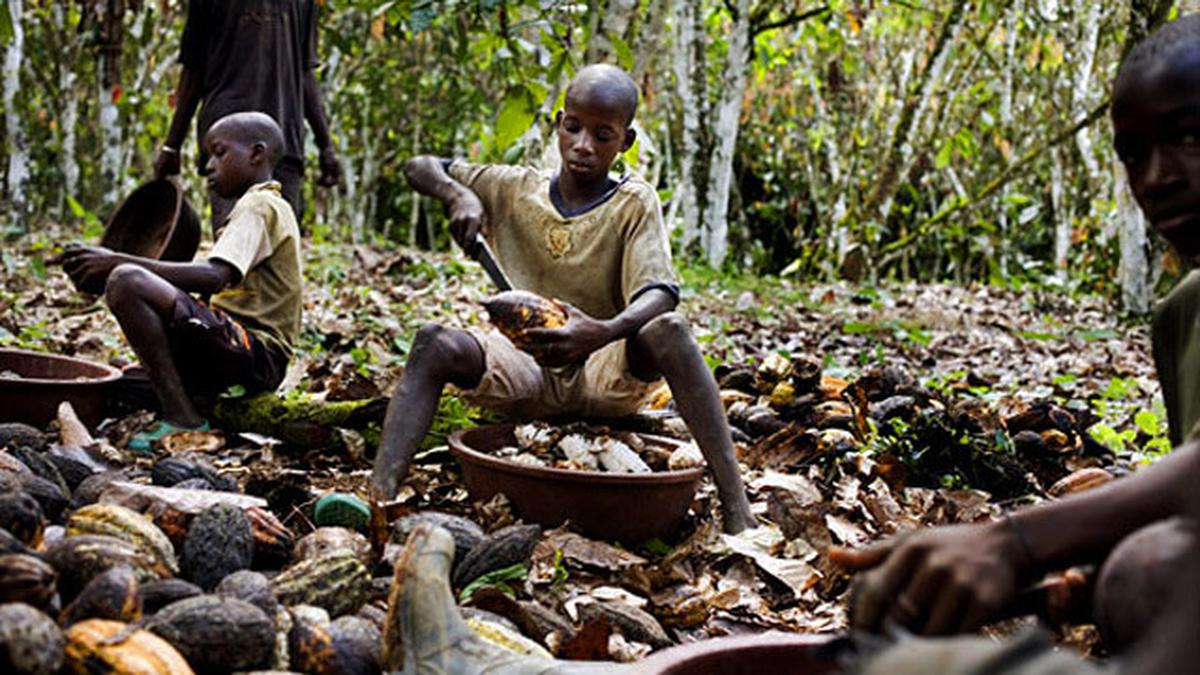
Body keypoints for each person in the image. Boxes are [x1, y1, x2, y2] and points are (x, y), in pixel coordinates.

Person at [827, 12, 1200, 666]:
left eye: (1191, 137)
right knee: (1144, 567)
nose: (1156, 177)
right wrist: (1071, 575)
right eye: (1134, 153)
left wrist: (1016, 542)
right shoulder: (1184, 314)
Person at [370, 63, 756, 534]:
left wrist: (603, 331)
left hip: (604, 369)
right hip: (524, 364)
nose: (583, 145)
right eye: (573, 128)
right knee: (434, 341)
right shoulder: (515, 187)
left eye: (603, 135)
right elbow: (420, 166)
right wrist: (458, 195)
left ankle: (737, 510)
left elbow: (661, 292)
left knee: (670, 332)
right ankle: (379, 499)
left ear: (626, 142)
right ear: (558, 123)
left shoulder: (633, 203)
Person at [59, 112, 302, 452]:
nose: (209, 167)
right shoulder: (267, 206)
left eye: (219, 153)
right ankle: (192, 400)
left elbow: (216, 276)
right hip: (237, 354)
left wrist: (116, 261)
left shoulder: (259, 205)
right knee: (117, 381)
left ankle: (182, 417)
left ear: (256, 154)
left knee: (126, 280)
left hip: (255, 355)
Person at [153, 0, 342, 227]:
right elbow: (194, 70)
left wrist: (326, 146)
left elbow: (304, 73)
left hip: (268, 141)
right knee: (238, 242)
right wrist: (172, 145)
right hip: (238, 144)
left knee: (272, 243)